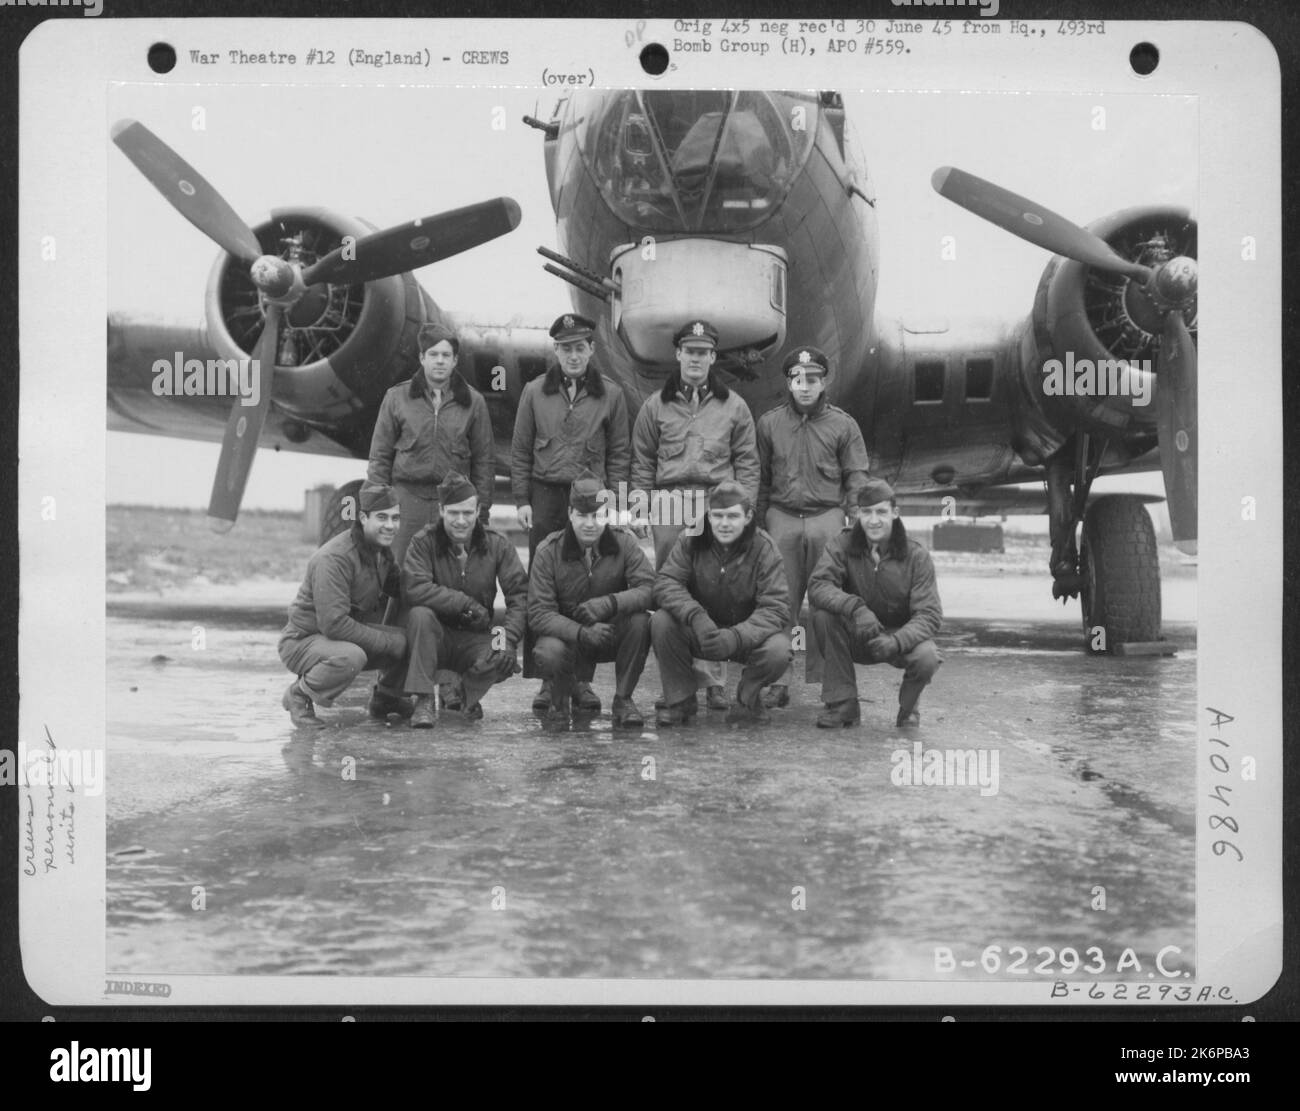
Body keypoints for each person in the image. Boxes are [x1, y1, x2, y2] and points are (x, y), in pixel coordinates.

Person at [630, 319, 760, 710]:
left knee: (713, 589)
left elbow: (748, 463)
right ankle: (677, 684)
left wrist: (744, 510)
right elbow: (642, 460)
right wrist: (639, 505)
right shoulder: (656, 405)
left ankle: (715, 682)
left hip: (715, 500)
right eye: (690, 351)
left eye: (703, 353)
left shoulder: (734, 406)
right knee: (671, 592)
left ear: (713, 358)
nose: (695, 359)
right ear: (678, 354)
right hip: (670, 502)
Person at [511, 312, 633, 712]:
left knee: (589, 582)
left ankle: (581, 680)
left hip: (590, 497)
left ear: (591, 350)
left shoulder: (611, 395)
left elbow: (618, 451)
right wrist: (522, 499)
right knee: (543, 583)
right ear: (556, 351)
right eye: (566, 348)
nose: (573, 355)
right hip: (546, 494)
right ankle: (546, 681)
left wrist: (613, 499)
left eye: (580, 347)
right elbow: (520, 448)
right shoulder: (534, 392)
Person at [755, 345, 870, 708]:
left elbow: (856, 476)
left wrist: (856, 519)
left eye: (813, 379)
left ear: (824, 382)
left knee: (826, 600)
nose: (805, 386)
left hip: (826, 517)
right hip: (782, 516)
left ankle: (829, 684)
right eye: (797, 379)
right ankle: (779, 680)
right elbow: (760, 477)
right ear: (788, 383)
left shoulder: (843, 425)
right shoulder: (770, 423)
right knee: (778, 600)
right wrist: (758, 524)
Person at [278, 484, 439, 728]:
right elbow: (334, 625)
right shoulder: (334, 558)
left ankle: (387, 698)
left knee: (408, 641)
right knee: (352, 657)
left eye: (395, 518)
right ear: (363, 518)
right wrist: (386, 642)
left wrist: (446, 594)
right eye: (382, 517)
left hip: (340, 638)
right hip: (303, 641)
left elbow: (404, 588)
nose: (390, 525)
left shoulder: (380, 551)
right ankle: (299, 695)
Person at [651, 481, 791, 726]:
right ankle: (681, 699)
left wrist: (736, 637)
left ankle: (747, 700)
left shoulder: (765, 548)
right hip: (702, 631)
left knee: (779, 649)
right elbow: (666, 582)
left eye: (732, 516)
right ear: (708, 515)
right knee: (661, 621)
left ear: (748, 517)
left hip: (746, 637)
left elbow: (776, 607)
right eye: (717, 516)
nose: (724, 524)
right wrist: (695, 615)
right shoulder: (690, 538)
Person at [807, 478, 943, 729]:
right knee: (823, 616)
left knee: (927, 656)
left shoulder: (917, 556)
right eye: (866, 512)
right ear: (857, 514)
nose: (874, 520)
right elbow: (818, 585)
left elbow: (930, 614)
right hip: (857, 631)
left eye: (881, 511)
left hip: (896, 637)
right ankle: (843, 703)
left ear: (895, 513)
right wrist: (855, 608)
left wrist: (897, 641)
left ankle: (908, 710)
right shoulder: (842, 543)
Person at [528, 470, 654, 731]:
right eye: (582, 516)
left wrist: (610, 603)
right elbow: (539, 613)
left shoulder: (624, 543)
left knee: (641, 621)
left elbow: (651, 587)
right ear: (570, 514)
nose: (590, 523)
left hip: (608, 633)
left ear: (607, 515)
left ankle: (623, 699)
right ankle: (559, 702)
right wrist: (581, 632)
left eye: (597, 516)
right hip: (569, 640)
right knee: (548, 650)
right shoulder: (548, 551)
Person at [400, 472, 528, 724]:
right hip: (436, 635)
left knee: (501, 652)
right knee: (420, 615)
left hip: (474, 637)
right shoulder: (423, 543)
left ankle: (463, 694)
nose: (461, 521)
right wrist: (464, 603)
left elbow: (520, 594)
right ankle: (424, 698)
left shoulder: (497, 544)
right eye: (453, 513)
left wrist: (509, 638)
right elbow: (415, 587)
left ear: (478, 510)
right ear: (441, 510)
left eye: (467, 513)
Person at [367, 322, 494, 565]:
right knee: (398, 574)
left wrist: (481, 513)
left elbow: (484, 463)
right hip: (407, 500)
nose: (440, 361)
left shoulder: (474, 402)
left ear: (455, 360)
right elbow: (379, 457)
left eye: (446, 355)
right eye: (433, 354)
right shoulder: (396, 398)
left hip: (453, 503)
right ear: (422, 358)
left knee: (451, 573)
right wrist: (377, 507)